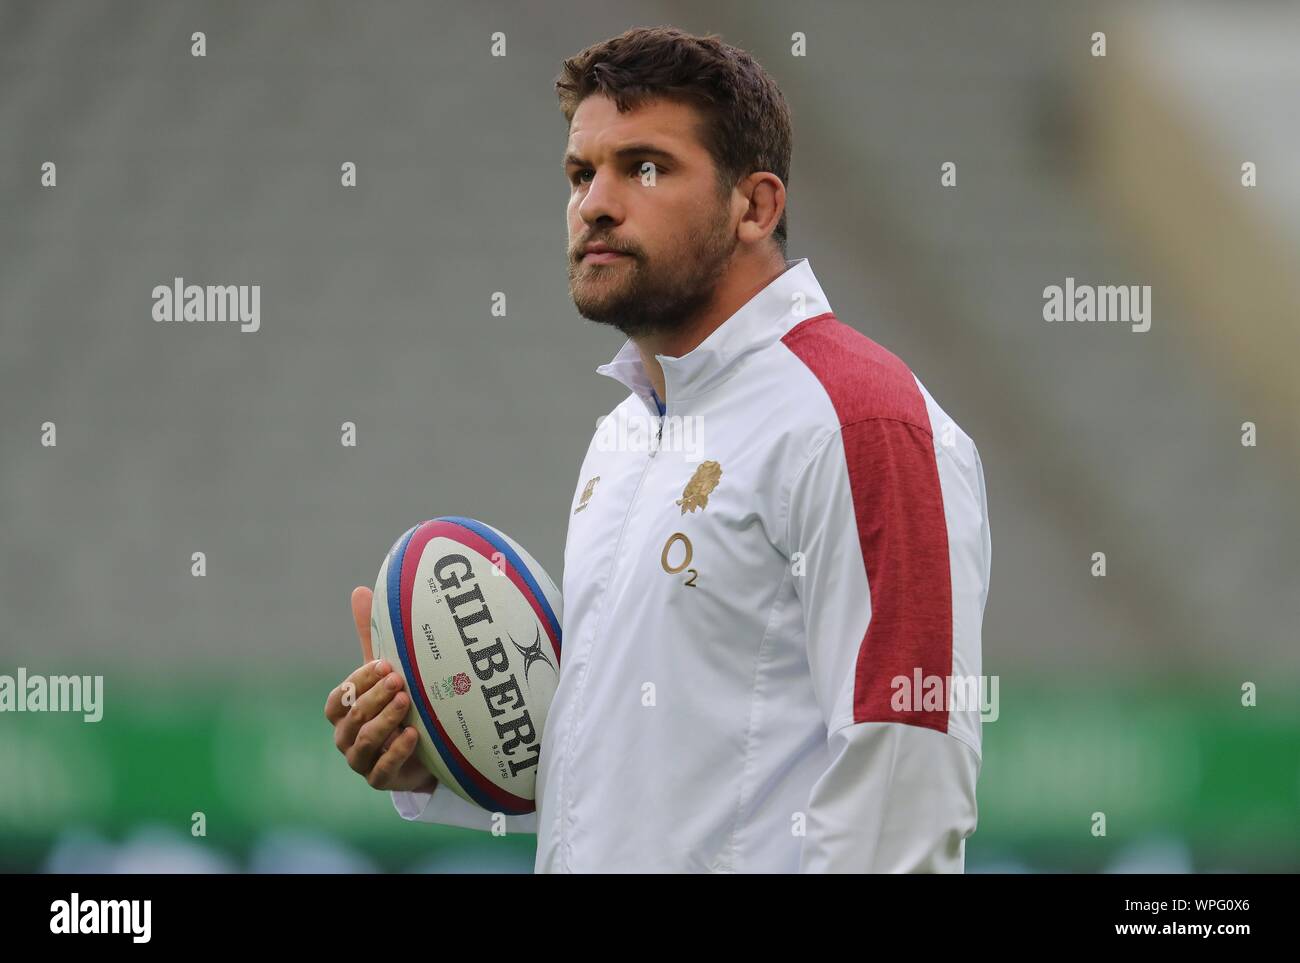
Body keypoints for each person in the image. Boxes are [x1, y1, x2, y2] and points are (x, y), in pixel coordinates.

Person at [325, 25, 991, 873]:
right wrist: (443, 762)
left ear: (756, 207)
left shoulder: (861, 421)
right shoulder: (626, 432)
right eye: (580, 173)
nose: (595, 202)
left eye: (642, 167)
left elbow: (906, 781)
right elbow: (658, 785)